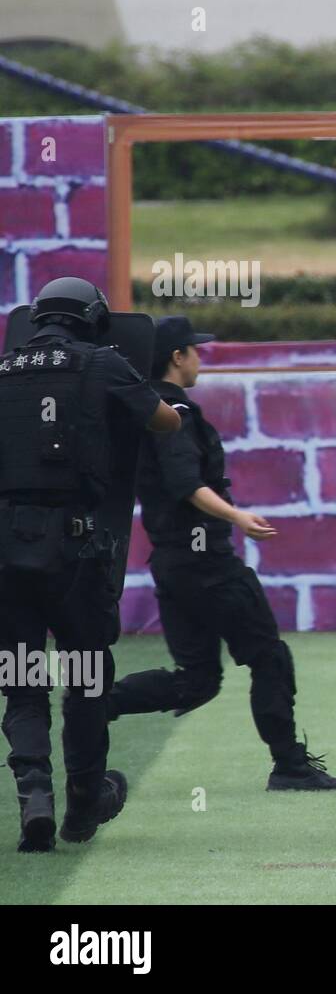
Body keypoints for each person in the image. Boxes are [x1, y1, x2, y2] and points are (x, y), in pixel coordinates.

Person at [106, 316, 336, 791]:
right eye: (194, 351)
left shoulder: (147, 409)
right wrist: (237, 518)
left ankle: (97, 704)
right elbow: (186, 483)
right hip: (208, 565)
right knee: (268, 656)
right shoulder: (173, 412)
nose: (201, 358)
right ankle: (289, 766)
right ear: (177, 357)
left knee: (198, 681)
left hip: (173, 565)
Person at [0, 277, 181, 851]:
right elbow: (163, 422)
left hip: (6, 549)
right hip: (74, 547)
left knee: (22, 680)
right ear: (90, 319)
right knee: (84, 677)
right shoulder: (101, 363)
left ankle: (34, 795)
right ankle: (83, 802)